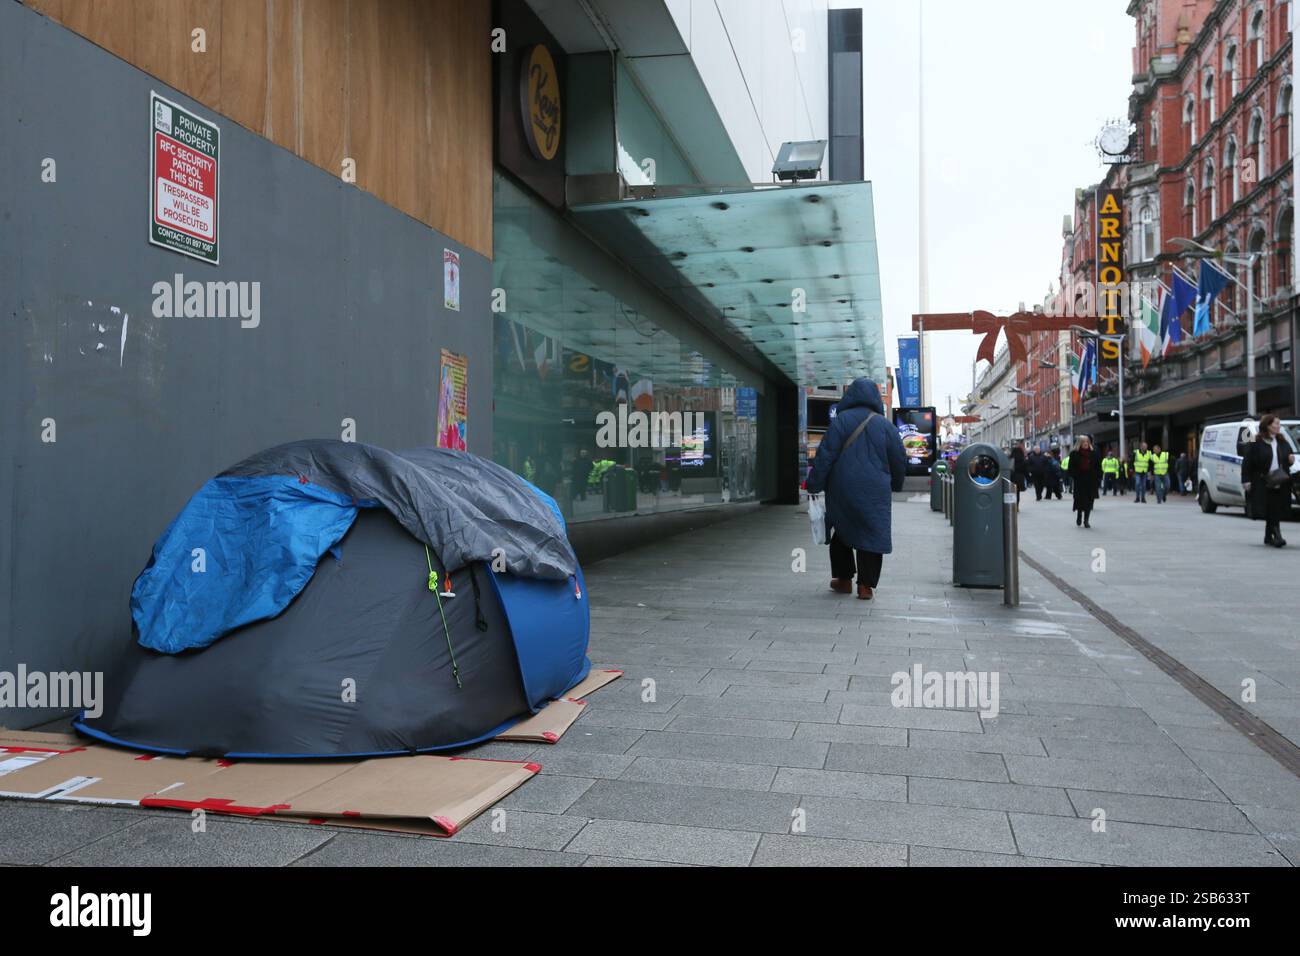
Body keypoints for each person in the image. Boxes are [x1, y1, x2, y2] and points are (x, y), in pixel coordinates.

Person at [806, 378, 906, 600]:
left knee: (842, 529)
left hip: (842, 487)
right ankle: (866, 586)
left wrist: (814, 485)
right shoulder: (885, 426)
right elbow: (899, 459)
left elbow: (825, 456)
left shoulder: (840, 422)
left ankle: (843, 580)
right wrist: (897, 484)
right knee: (872, 532)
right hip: (875, 490)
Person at [1242, 414, 1296, 548]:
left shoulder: (1282, 441)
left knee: (1275, 508)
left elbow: (1287, 458)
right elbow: (1247, 462)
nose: (1278, 426)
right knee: (1271, 507)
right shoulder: (1255, 441)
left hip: (1279, 479)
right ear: (1267, 425)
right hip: (1262, 480)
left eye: (1279, 424)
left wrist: (1290, 460)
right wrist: (1246, 480)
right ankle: (1277, 536)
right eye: (1276, 424)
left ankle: (1268, 536)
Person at [1067, 435, 1102, 528]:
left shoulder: (1094, 453)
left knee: (1090, 500)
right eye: (1083, 442)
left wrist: (1099, 477)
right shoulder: (1074, 454)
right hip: (1080, 481)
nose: (1086, 443)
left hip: (1091, 481)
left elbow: (1099, 467)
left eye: (1087, 442)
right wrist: (1075, 476)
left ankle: (1086, 520)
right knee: (1080, 500)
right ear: (1079, 443)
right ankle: (1079, 515)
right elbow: (1070, 468)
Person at [1010, 442, 1030, 507]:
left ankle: (1012, 505)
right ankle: (1017, 505)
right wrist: (1029, 479)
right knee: (1017, 492)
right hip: (1019, 478)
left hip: (1011, 478)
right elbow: (1025, 471)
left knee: (1011, 492)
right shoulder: (1022, 461)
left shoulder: (1010, 460)